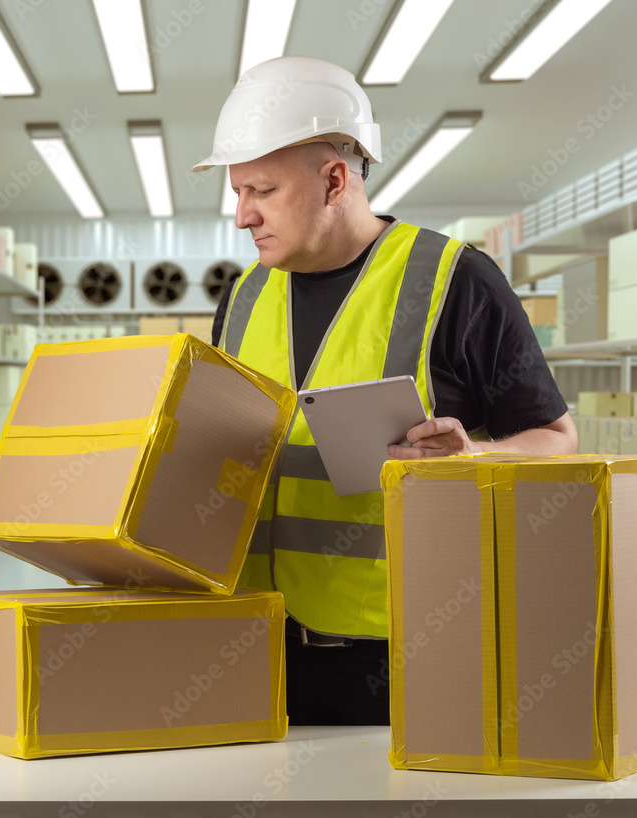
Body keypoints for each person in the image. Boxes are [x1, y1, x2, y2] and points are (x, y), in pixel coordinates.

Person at [192, 56, 577, 726]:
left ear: (335, 179)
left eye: (260, 190)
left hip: (395, 661)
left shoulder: (455, 281)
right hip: (248, 648)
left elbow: (559, 439)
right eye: (237, 192)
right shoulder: (243, 297)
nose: (241, 216)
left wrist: (472, 464)